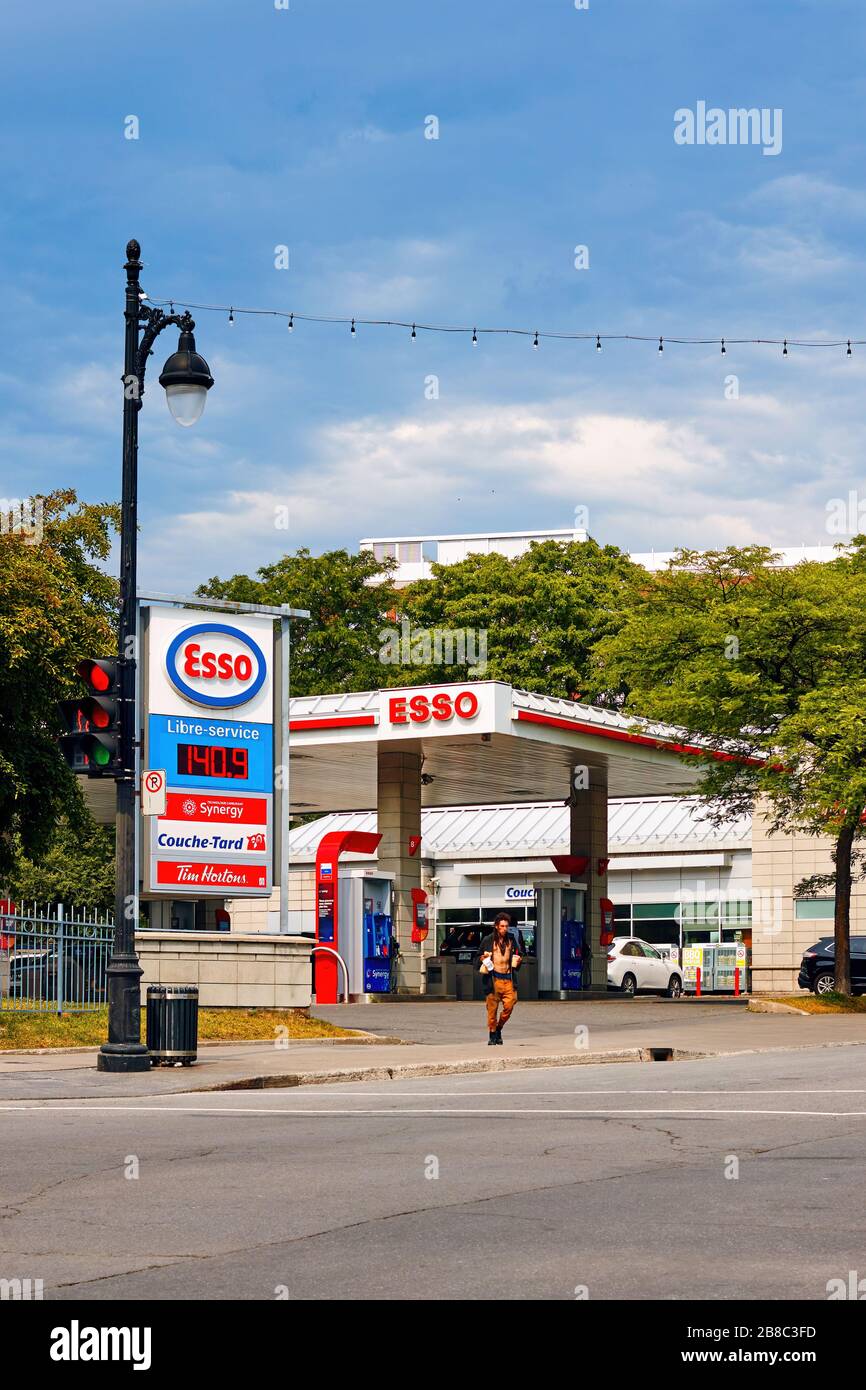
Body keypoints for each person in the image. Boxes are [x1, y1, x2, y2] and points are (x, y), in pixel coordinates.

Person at [475, 912, 522, 1045]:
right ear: (496, 926)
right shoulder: (488, 940)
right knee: (492, 1010)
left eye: (506, 926)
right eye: (502, 926)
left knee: (510, 1004)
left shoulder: (512, 939)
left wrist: (519, 960)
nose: (505, 929)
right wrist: (482, 958)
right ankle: (492, 1034)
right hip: (493, 980)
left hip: (508, 980)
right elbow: (477, 957)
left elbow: (519, 954)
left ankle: (499, 1028)